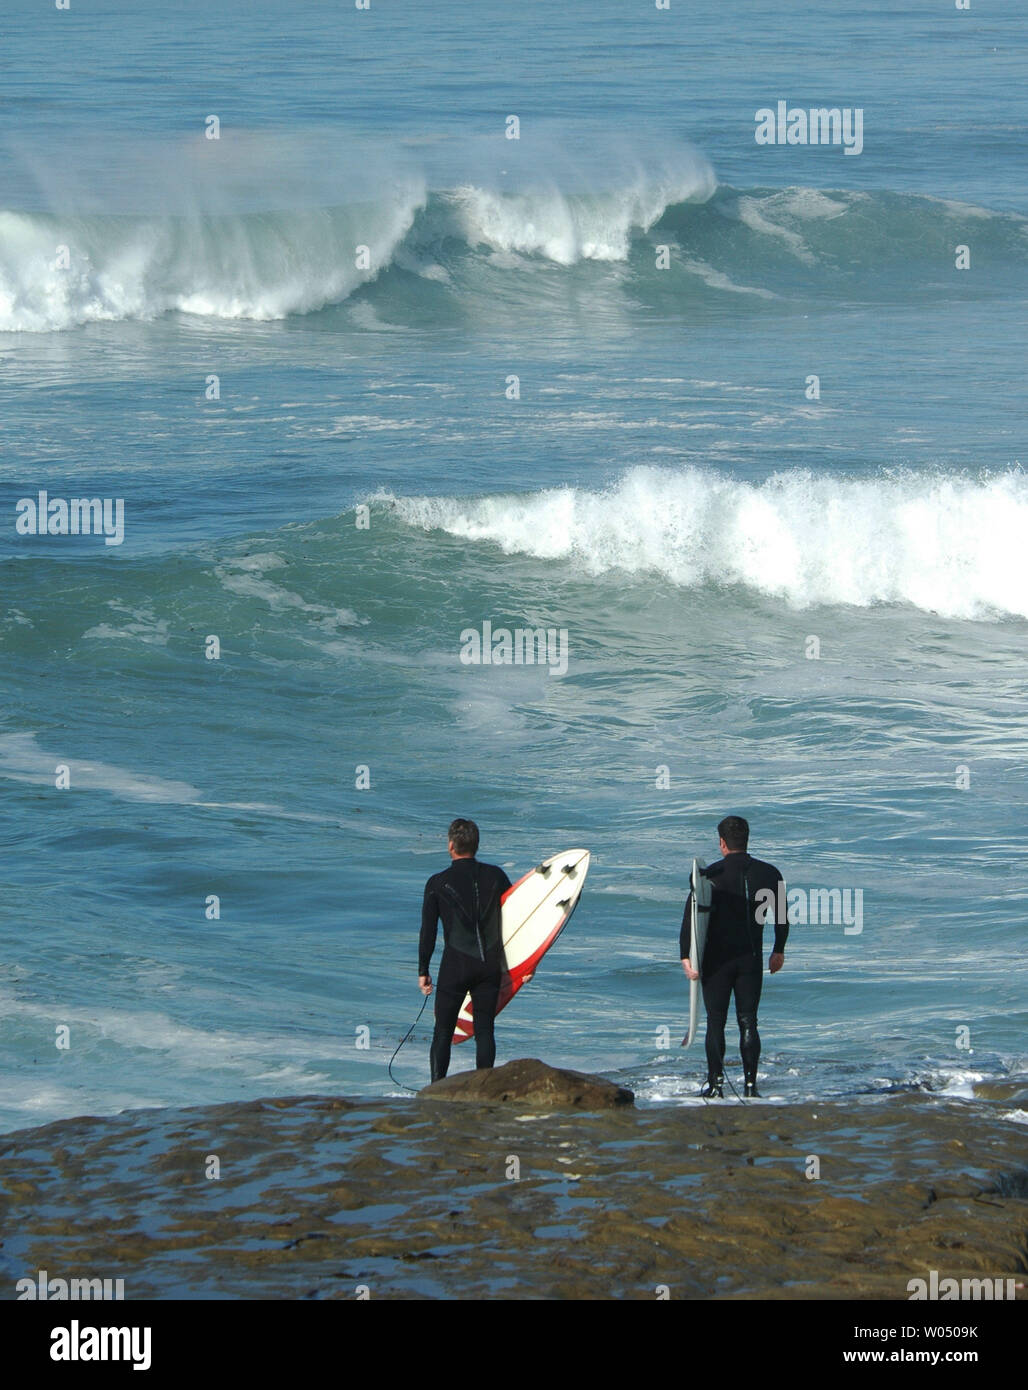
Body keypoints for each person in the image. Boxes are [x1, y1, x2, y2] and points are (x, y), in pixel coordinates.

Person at [680, 815, 788, 1098]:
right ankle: (751, 1088)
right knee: (748, 1020)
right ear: (747, 840)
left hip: (716, 960)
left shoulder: (709, 875)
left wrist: (685, 956)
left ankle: (715, 1086)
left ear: (722, 843)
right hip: (751, 957)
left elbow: (690, 917)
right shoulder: (770, 873)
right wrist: (779, 950)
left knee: (716, 1021)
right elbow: (783, 918)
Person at [419, 818, 512, 1082]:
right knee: (485, 1030)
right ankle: (484, 1088)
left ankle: (437, 1088)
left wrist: (423, 970)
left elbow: (428, 931)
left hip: (456, 966)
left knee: (443, 1032)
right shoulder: (496, 876)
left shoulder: (437, 883)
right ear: (477, 845)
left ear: (450, 845)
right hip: (489, 966)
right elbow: (518, 917)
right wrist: (525, 965)